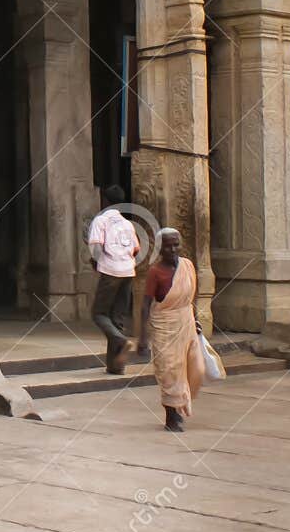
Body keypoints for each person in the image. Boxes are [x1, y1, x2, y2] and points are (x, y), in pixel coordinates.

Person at [140, 228, 205, 433]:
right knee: (169, 371)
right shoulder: (155, 272)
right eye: (168, 246)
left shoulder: (187, 266)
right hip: (164, 325)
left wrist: (194, 319)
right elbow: (145, 304)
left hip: (186, 322)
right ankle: (172, 416)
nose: (173, 249)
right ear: (160, 248)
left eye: (176, 244)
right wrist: (143, 338)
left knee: (197, 369)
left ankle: (180, 403)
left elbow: (190, 295)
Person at [87, 185, 141, 372]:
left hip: (110, 271)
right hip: (128, 271)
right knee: (117, 318)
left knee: (99, 313)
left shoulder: (101, 221)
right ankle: (116, 366)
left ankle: (120, 340)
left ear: (105, 200)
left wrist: (95, 262)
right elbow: (136, 249)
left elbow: (95, 247)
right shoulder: (128, 224)